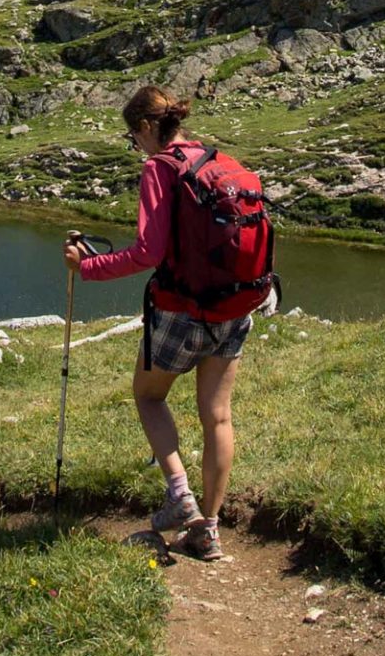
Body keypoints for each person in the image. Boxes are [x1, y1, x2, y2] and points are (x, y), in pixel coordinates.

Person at [64, 86, 251, 562]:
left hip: (182, 308)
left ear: (147, 128)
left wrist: (87, 267)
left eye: (134, 137)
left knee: (148, 396)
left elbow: (148, 252)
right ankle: (206, 531)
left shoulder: (160, 168)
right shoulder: (215, 160)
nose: (137, 147)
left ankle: (179, 494)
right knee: (218, 416)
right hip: (234, 306)